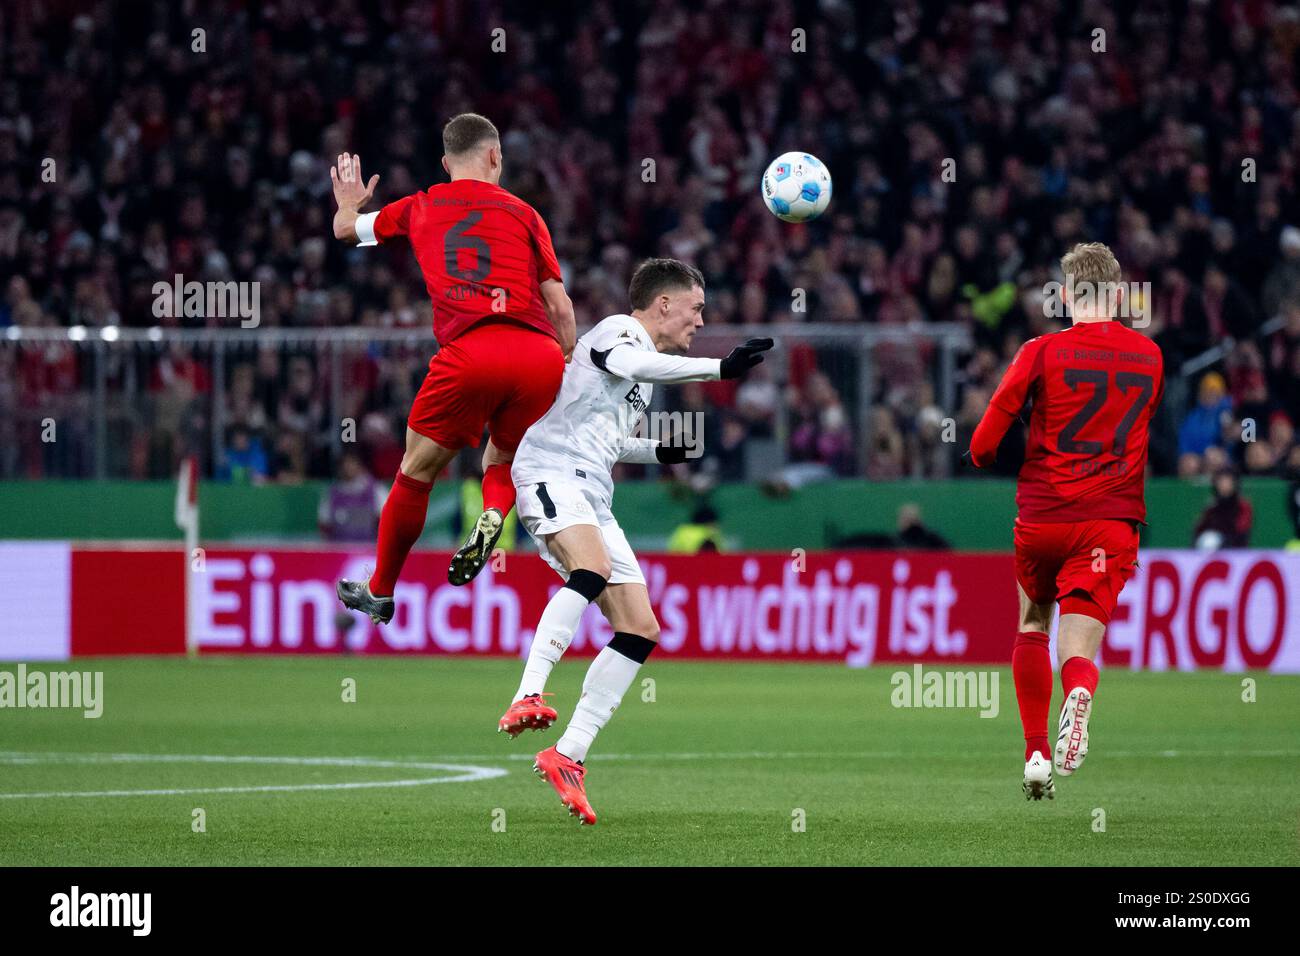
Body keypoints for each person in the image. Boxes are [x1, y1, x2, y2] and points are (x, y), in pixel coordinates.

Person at [500, 258, 772, 824]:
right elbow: (633, 361)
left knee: (640, 627)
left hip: (592, 491)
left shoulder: (642, 377)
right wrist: (720, 369)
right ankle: (528, 692)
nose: (700, 320)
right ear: (664, 304)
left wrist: (664, 451)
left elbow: (614, 441)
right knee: (591, 569)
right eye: (696, 309)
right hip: (550, 471)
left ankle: (568, 754)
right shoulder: (617, 333)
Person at [331, 113, 577, 624]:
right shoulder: (527, 213)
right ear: (494, 156)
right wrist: (566, 359)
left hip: (469, 353)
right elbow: (560, 305)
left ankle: (380, 588)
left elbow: (346, 233)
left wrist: (350, 204)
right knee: (503, 458)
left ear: (445, 164)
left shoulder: (419, 206)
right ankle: (492, 514)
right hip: (537, 354)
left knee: (416, 471)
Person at [967, 242, 1164, 801]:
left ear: (1067, 295)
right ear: (1121, 295)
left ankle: (1035, 753)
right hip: (1109, 521)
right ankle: (1078, 693)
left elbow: (986, 439)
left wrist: (980, 457)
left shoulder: (1039, 352)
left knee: (1032, 623)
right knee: (1077, 648)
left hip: (1043, 516)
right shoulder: (1150, 356)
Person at [1192, 467, 1253, 549]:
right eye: (1221, 481)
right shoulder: (1212, 506)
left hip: (1234, 549)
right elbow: (1199, 529)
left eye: (1227, 481)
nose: (1224, 485)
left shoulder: (1243, 505)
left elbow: (1241, 531)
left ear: (1234, 483)